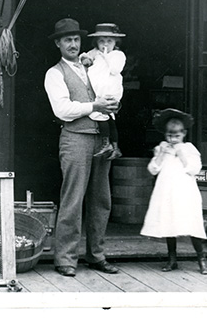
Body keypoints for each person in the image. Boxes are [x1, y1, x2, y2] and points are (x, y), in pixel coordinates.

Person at [44, 17, 121, 277]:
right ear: (58, 44)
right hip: (75, 138)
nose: (74, 44)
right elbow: (63, 110)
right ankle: (65, 259)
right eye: (68, 40)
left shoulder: (93, 65)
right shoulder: (55, 73)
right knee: (73, 198)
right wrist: (95, 106)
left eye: (77, 39)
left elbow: (108, 90)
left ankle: (96, 256)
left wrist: (112, 105)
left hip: (101, 137)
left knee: (102, 199)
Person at [140, 108, 207, 274]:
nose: (173, 139)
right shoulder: (162, 149)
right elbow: (153, 169)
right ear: (165, 134)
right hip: (167, 193)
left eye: (177, 135)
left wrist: (181, 154)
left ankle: (201, 257)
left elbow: (194, 169)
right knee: (168, 223)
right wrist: (161, 154)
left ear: (184, 133)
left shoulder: (190, 149)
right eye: (170, 135)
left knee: (191, 224)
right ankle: (172, 259)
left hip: (185, 193)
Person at [80, 23, 126, 160]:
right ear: (97, 42)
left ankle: (107, 143)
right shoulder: (95, 52)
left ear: (115, 42)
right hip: (97, 91)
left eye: (109, 41)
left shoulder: (117, 55)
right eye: (102, 41)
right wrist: (87, 59)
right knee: (108, 118)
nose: (105, 44)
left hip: (110, 91)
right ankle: (115, 147)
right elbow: (84, 57)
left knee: (101, 115)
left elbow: (115, 69)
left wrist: (105, 56)